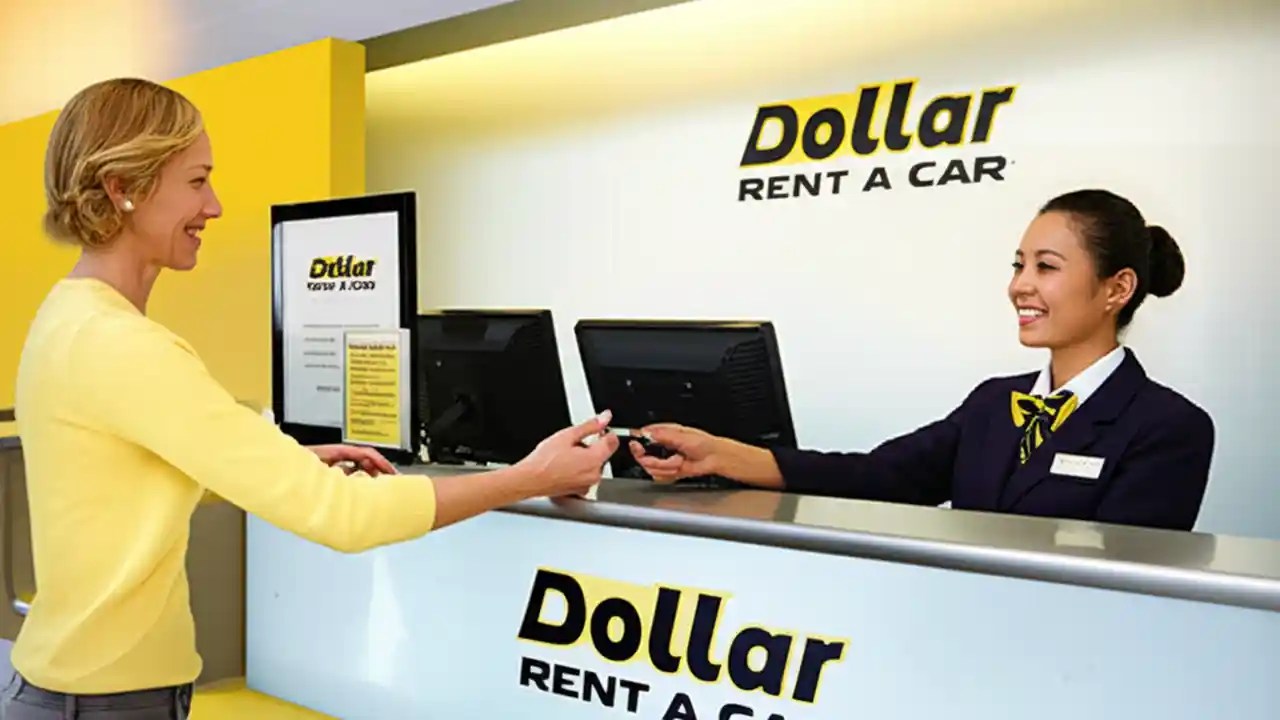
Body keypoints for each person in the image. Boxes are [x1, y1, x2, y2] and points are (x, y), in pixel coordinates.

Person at [1, 78, 618, 719]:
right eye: (196, 181)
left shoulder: (69, 317)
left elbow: (121, 480)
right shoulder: (123, 345)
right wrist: (526, 478)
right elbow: (343, 517)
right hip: (103, 703)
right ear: (123, 188)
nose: (213, 206)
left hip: (78, 692)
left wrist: (286, 462)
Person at [631, 189, 1214, 532]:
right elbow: (880, 478)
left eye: (1047, 267)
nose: (1020, 287)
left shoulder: (1168, 429)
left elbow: (1127, 601)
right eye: (1018, 265)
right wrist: (721, 455)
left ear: (1117, 288)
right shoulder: (994, 403)